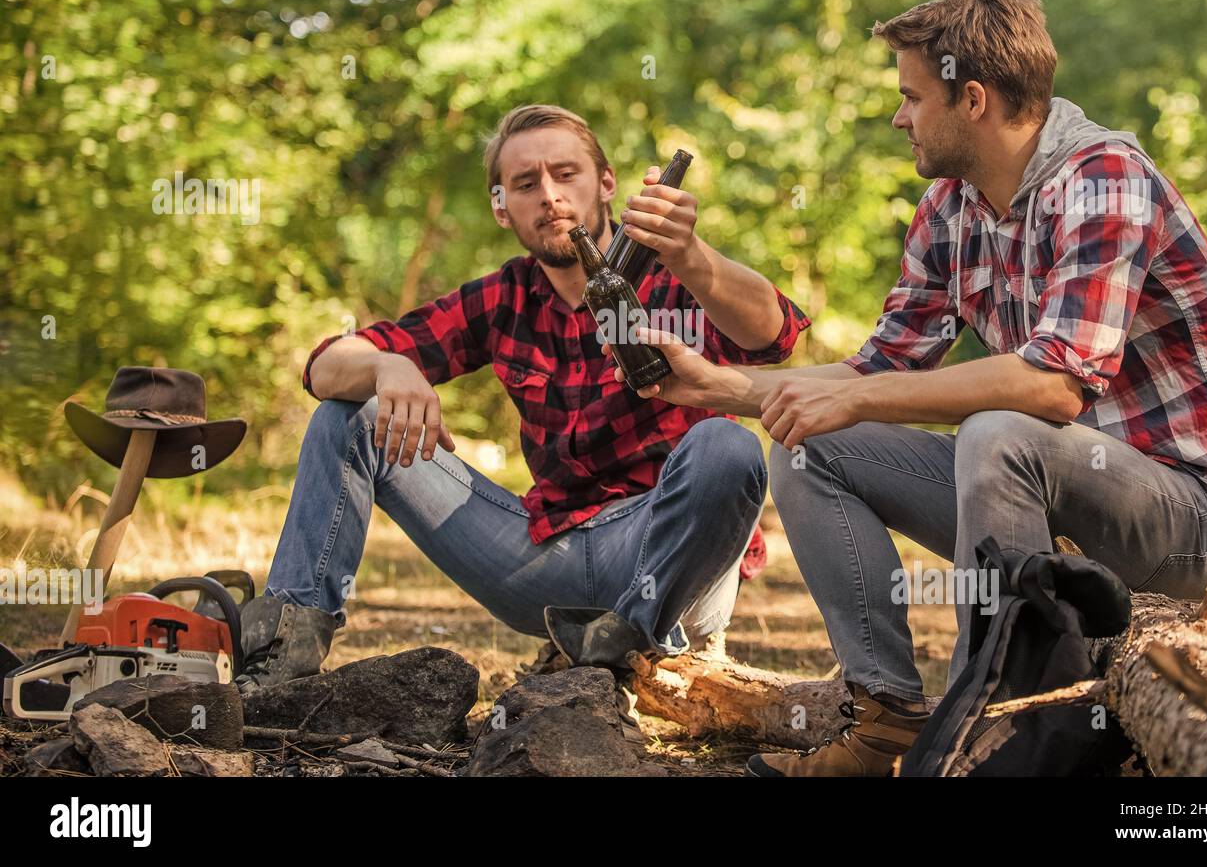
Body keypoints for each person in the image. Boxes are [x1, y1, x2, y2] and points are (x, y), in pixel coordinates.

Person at [608, 0, 1207, 776]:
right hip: (1053, 505)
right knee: (810, 436)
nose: (900, 118)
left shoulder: (1103, 180)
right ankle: (885, 715)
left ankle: (980, 730)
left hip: (1185, 522)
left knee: (998, 431)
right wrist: (717, 385)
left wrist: (853, 397)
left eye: (910, 97)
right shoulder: (948, 210)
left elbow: (1059, 382)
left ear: (973, 98)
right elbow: (879, 370)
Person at [238, 105, 810, 737]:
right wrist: (385, 368)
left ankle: (627, 645)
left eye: (566, 174)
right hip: (543, 557)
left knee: (727, 445)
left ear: (607, 183)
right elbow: (323, 364)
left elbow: (775, 333)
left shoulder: (674, 273)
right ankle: (285, 652)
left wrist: (694, 254)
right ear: (501, 205)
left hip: (666, 559)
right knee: (346, 418)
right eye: (526, 184)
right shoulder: (503, 296)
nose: (550, 196)